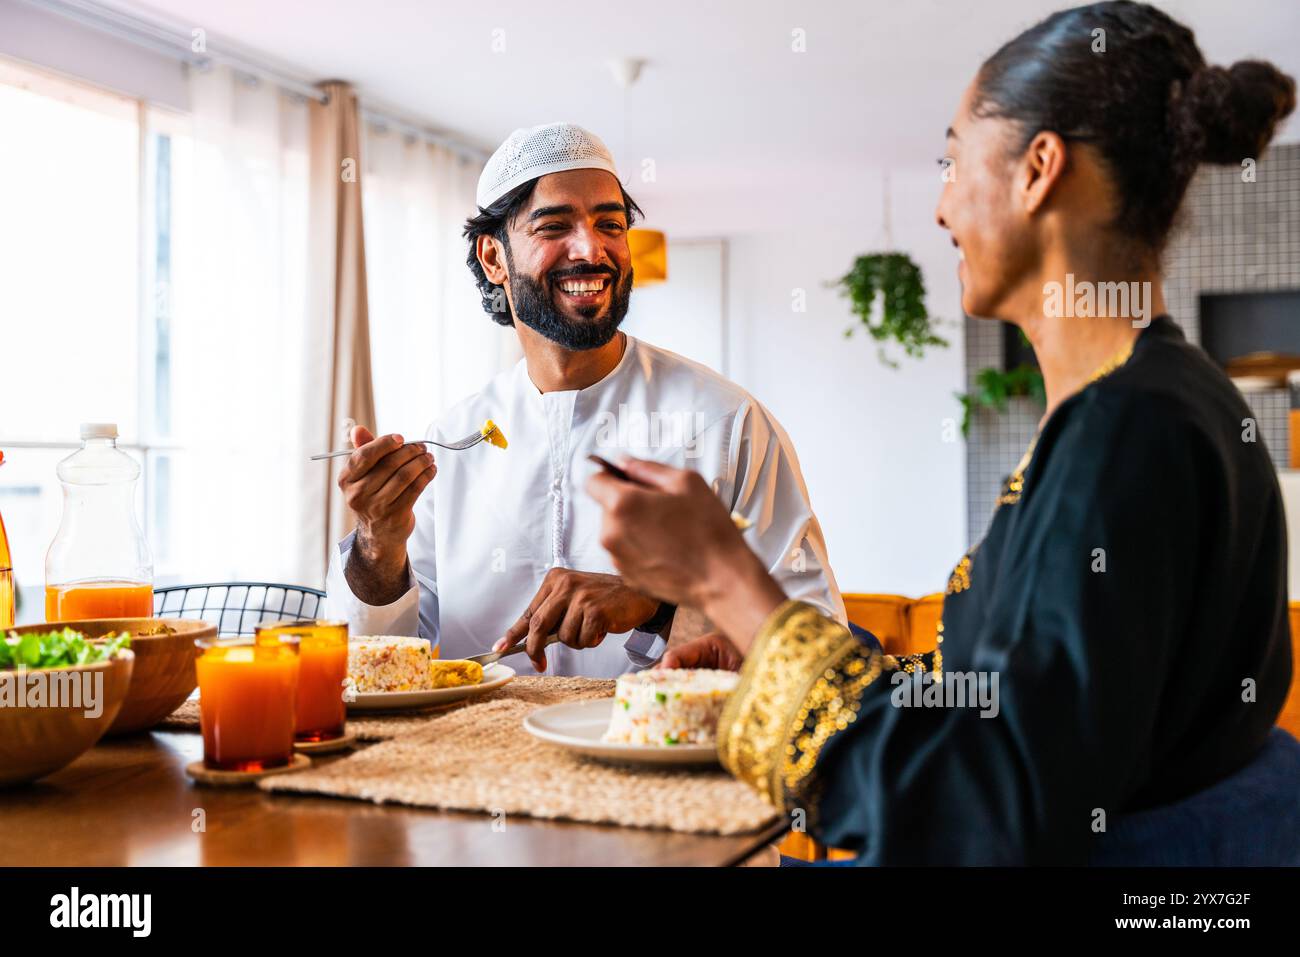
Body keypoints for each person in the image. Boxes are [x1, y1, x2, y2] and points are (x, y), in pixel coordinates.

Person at [587, 1, 1298, 863]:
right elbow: (1015, 710)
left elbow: (985, 806)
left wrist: (724, 575)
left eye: (951, 161)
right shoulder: (1168, 398)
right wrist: (769, 647)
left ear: (1039, 170)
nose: (940, 207)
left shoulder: (1126, 430)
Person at [324, 123, 845, 677]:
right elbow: (378, 663)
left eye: (610, 225)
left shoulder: (726, 422)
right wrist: (378, 544)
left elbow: (818, 650)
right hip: (473, 761)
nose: (592, 248)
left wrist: (659, 605)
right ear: (494, 258)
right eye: (554, 225)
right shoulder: (454, 440)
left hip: (660, 756)